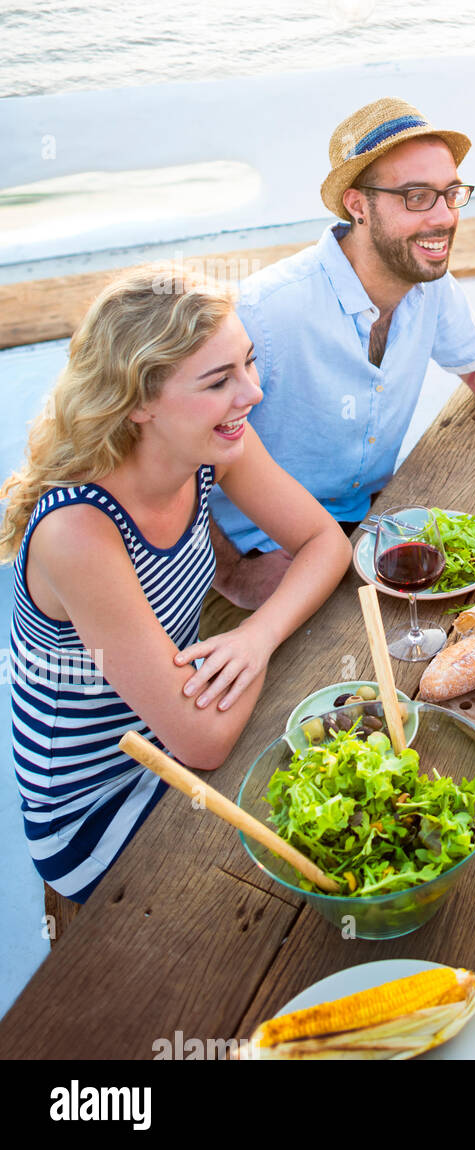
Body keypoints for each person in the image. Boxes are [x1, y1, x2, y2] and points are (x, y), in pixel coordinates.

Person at [1, 266, 352, 902]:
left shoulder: (214, 446)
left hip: (185, 705)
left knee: (360, 785)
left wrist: (255, 634)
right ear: (137, 401)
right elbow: (204, 740)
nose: (252, 393)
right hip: (98, 805)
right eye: (219, 381)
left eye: (247, 364)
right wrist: (257, 642)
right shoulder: (77, 531)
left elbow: (326, 542)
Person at [205, 97, 475, 613]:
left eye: (451, 193)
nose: (444, 218)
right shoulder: (266, 310)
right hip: (262, 552)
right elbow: (172, 450)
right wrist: (232, 575)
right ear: (357, 205)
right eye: (416, 197)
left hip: (371, 527)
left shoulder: (430, 285)